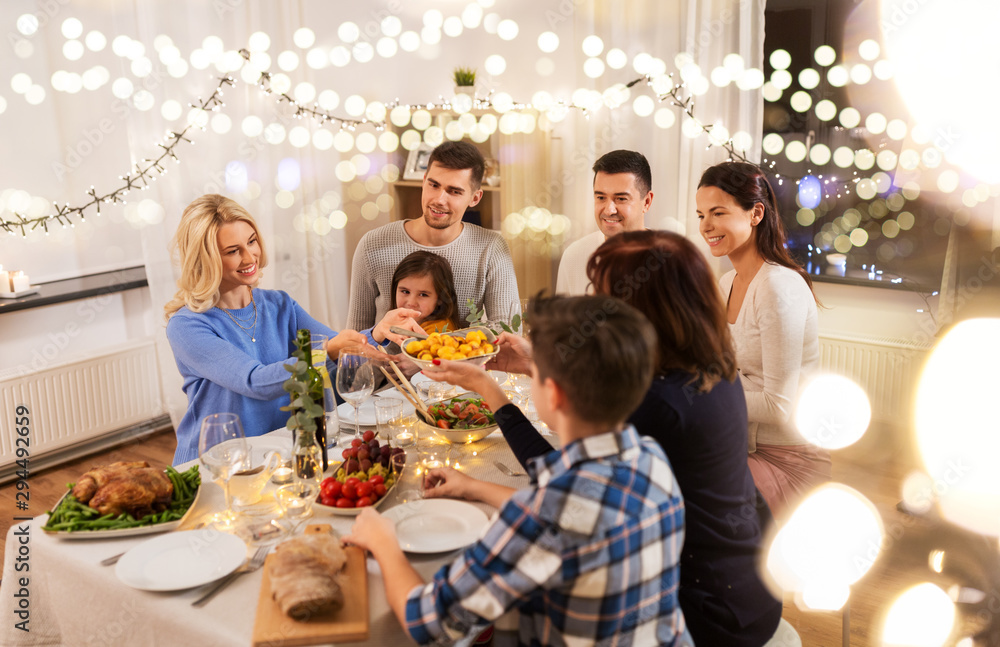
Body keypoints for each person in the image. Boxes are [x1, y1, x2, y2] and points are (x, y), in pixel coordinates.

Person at [434, 231, 783, 646]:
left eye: (602, 295)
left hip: (706, 609)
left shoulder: (659, 404)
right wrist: (544, 365)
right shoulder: (707, 365)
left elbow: (566, 490)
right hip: (751, 579)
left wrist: (493, 393)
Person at [344, 295, 691, 647]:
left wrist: (382, 541)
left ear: (552, 394)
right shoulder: (650, 456)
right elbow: (570, 492)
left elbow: (430, 623)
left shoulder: (542, 517)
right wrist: (475, 486)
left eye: (535, 372)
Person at [164, 194, 423, 465]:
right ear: (205, 260)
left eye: (251, 241)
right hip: (216, 462)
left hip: (276, 451)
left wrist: (378, 332)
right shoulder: (187, 326)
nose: (249, 256)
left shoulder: (279, 304)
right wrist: (329, 350)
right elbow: (254, 381)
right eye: (232, 251)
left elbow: (337, 352)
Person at [696, 161, 830, 517]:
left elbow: (779, 405)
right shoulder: (727, 282)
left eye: (718, 213)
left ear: (755, 213)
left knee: (693, 505)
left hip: (786, 456)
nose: (705, 226)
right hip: (741, 443)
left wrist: (704, 390)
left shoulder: (777, 287)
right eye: (701, 215)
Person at [346, 140, 519, 330]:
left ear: (475, 198)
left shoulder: (492, 247)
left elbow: (508, 330)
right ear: (424, 181)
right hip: (385, 360)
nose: (439, 200)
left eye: (454, 191)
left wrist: (440, 345)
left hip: (459, 359)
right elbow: (356, 337)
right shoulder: (372, 244)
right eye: (434, 185)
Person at [555, 149, 654, 295]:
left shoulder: (670, 260)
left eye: (621, 199)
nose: (609, 210)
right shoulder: (574, 256)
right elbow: (561, 317)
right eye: (601, 197)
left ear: (646, 202)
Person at [389, 251, 461, 335]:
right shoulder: (393, 320)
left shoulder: (438, 331)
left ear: (440, 298)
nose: (411, 303)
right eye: (405, 291)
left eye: (423, 294)